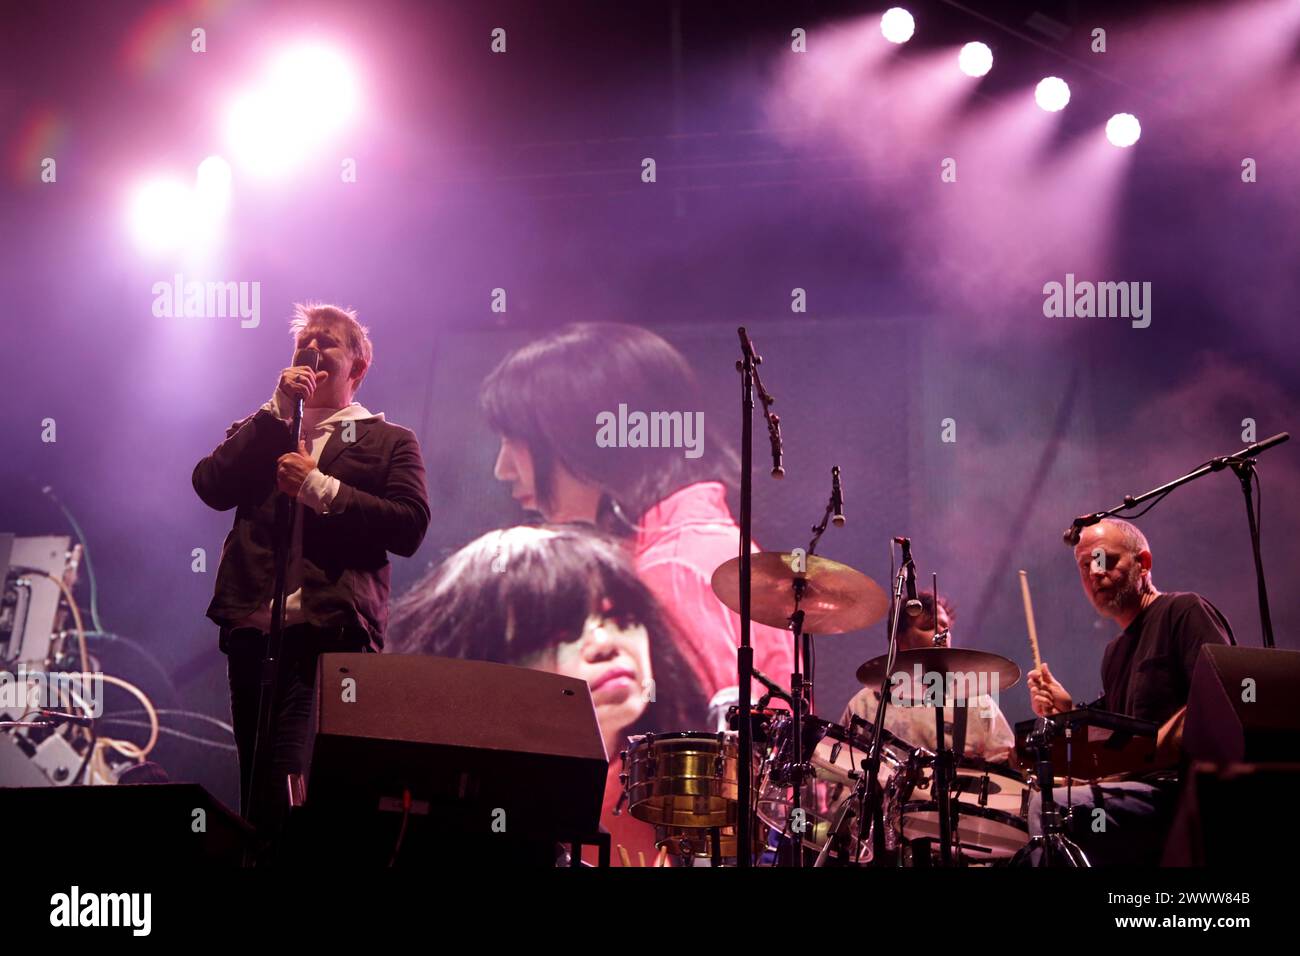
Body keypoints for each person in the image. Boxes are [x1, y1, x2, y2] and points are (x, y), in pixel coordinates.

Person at [193, 303, 430, 849]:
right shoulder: (267, 427)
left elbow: (410, 526)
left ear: (358, 368)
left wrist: (321, 488)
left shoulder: (388, 440)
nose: (314, 351)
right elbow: (209, 484)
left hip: (328, 636)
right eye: (306, 343)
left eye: (329, 344)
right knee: (254, 786)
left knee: (289, 785)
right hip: (254, 634)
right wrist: (277, 409)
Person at [478, 322, 795, 712]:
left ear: (581, 442)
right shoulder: (702, 550)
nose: (502, 469)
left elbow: (685, 765)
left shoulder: (674, 571)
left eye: (516, 441)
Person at [389, 524, 706, 865]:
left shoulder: (687, 793)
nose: (605, 644)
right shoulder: (442, 820)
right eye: (562, 632)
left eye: (619, 617)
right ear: (488, 663)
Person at [1025, 517, 1233, 865]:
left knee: (1053, 807)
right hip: (1139, 795)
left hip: (1181, 792)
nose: (1094, 572)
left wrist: (1152, 753)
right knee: (1045, 800)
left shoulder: (1182, 611)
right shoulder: (1114, 653)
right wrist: (1068, 711)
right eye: (1085, 565)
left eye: (1105, 559)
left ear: (1143, 563)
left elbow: (1220, 695)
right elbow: (1117, 742)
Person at [839, 591, 1016, 763]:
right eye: (928, 626)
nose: (941, 634)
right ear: (900, 640)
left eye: (945, 627)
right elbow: (838, 770)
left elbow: (1008, 769)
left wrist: (1043, 717)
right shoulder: (864, 705)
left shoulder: (978, 701)